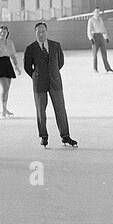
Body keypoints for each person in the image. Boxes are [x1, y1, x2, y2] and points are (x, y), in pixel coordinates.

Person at [23, 20, 77, 148]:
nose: (41, 34)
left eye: (43, 31)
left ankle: (65, 136)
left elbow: (60, 62)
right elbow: (27, 67)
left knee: (60, 109)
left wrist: (53, 73)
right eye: (38, 32)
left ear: (46, 32)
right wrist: (36, 76)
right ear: (35, 33)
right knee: (41, 110)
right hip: (39, 83)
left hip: (55, 82)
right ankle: (44, 136)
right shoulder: (30, 48)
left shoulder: (55, 46)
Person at [0, 24, 21, 117]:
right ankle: (3, 109)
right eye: (1, 32)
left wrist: (17, 67)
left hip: (8, 64)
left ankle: (5, 108)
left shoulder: (10, 42)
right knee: (5, 88)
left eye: (5, 32)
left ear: (7, 33)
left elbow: (13, 56)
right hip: (0, 64)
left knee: (7, 89)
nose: (3, 33)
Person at [87, 8, 113, 73]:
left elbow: (103, 28)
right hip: (95, 36)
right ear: (93, 12)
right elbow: (89, 30)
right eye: (96, 12)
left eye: (98, 12)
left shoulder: (100, 19)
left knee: (104, 53)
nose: (98, 13)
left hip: (101, 36)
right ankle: (95, 68)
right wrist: (91, 38)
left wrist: (106, 37)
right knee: (95, 54)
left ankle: (108, 68)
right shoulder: (91, 20)